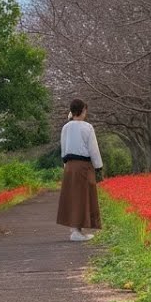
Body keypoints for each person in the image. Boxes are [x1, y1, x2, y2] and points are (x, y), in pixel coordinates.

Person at [56, 98, 104, 241]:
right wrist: (98, 166)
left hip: (70, 165)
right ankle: (76, 232)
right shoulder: (87, 127)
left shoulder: (66, 127)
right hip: (83, 166)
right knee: (82, 197)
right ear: (83, 110)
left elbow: (63, 148)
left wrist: (66, 165)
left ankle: (75, 229)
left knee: (72, 197)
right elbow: (93, 149)